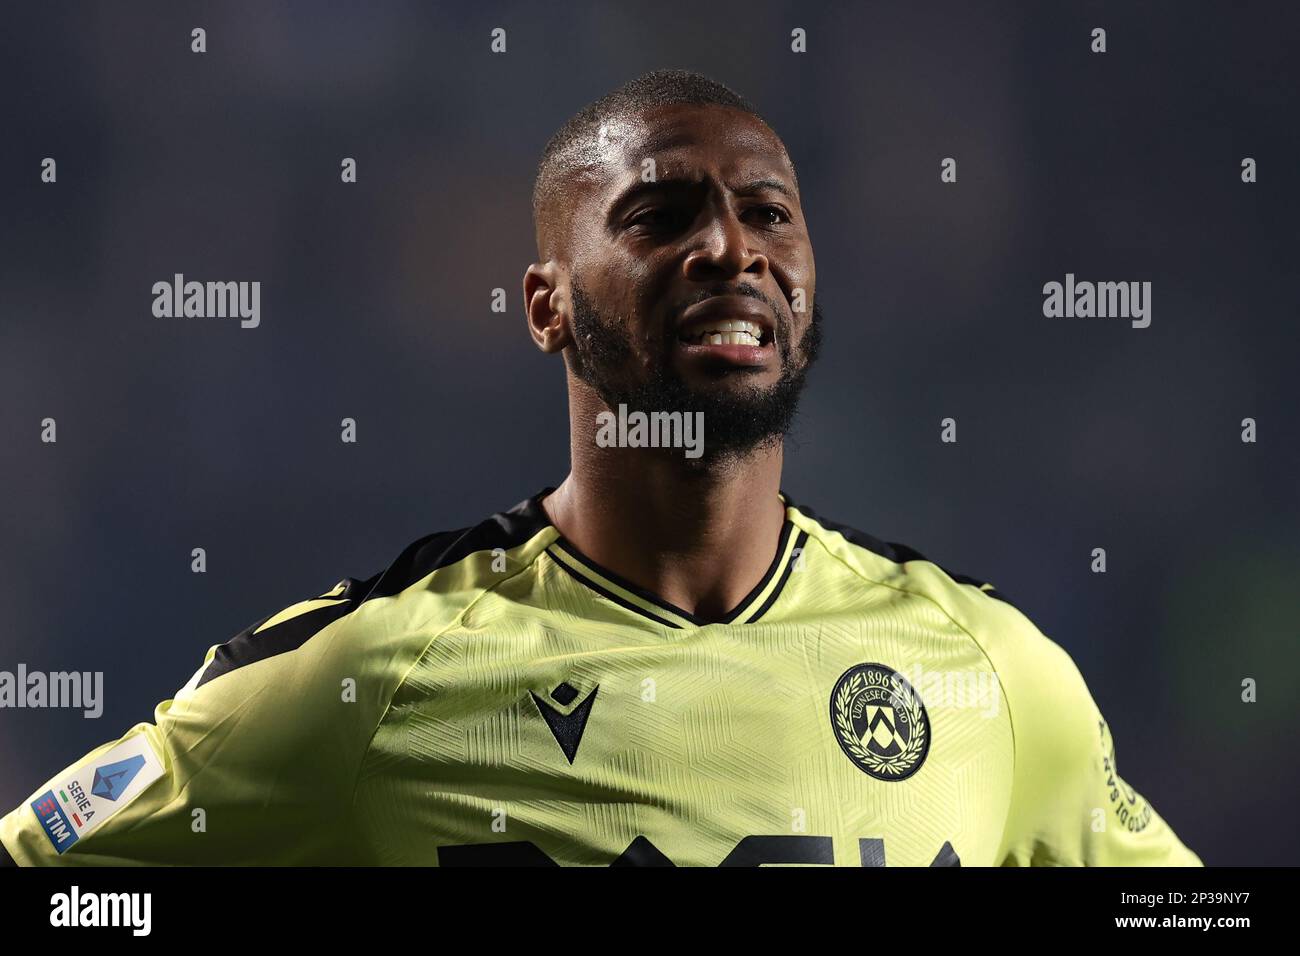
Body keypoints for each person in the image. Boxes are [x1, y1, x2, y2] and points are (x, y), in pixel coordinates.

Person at [0, 69, 1199, 866]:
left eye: (769, 212)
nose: (731, 244)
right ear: (546, 305)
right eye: (660, 214)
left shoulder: (990, 669)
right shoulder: (371, 675)